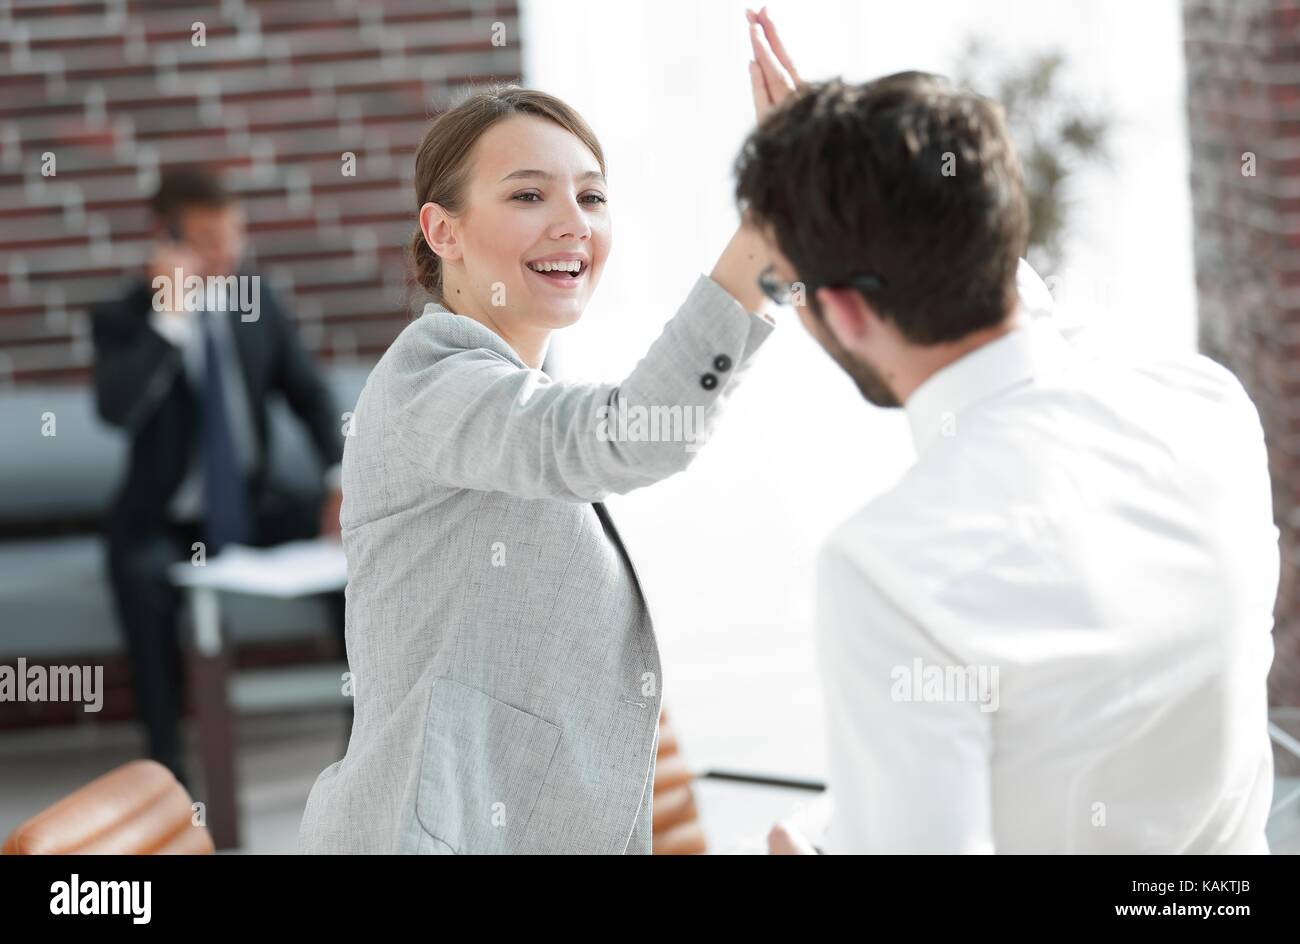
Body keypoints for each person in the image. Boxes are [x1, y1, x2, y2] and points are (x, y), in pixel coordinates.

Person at [296, 8, 808, 854]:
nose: (572, 221)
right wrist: (760, 230)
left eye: (592, 195)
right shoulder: (434, 384)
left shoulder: (508, 391)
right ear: (443, 232)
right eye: (529, 194)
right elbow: (634, 435)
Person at [732, 69, 1279, 853]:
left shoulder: (889, 576)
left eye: (788, 285)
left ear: (845, 311)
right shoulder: (1207, 404)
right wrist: (837, 168)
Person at [92, 166, 347, 787]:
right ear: (167, 238)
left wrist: (342, 478)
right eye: (208, 239)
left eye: (234, 236)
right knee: (142, 581)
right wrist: (170, 323)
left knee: (360, 547)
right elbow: (115, 411)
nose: (227, 253)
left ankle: (364, 742)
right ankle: (168, 770)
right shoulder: (122, 315)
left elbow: (312, 398)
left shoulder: (256, 301)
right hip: (162, 519)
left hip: (254, 507)